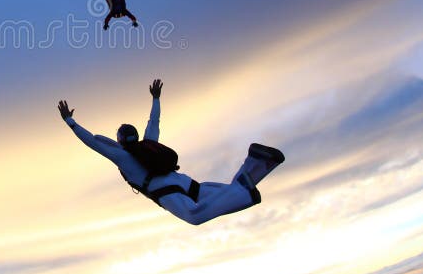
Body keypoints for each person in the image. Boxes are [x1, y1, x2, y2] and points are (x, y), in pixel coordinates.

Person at [57, 79, 285, 225]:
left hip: (169, 193)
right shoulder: (147, 145)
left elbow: (93, 143)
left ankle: (247, 185)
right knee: (228, 193)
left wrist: (71, 122)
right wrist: (156, 98)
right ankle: (257, 162)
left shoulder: (123, 157)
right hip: (189, 184)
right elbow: (154, 121)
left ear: (119, 141)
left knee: (195, 216)